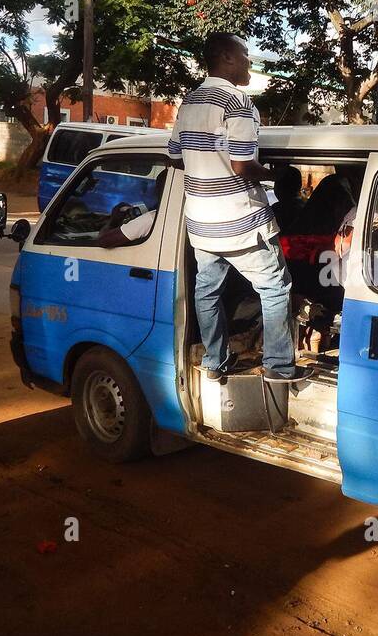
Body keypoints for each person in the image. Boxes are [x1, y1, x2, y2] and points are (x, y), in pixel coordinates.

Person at [101, 32, 306, 383]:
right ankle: (279, 366)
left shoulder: (191, 101)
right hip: (243, 221)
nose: (249, 61)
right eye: (244, 54)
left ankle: (214, 361)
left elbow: (175, 156)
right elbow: (243, 165)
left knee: (207, 291)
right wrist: (274, 174)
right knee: (275, 289)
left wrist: (208, 168)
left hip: (201, 224)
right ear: (226, 57)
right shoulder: (239, 102)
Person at [270, 164, 306, 233]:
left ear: (278, 188)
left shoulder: (276, 210)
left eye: (276, 184)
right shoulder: (308, 207)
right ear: (299, 185)